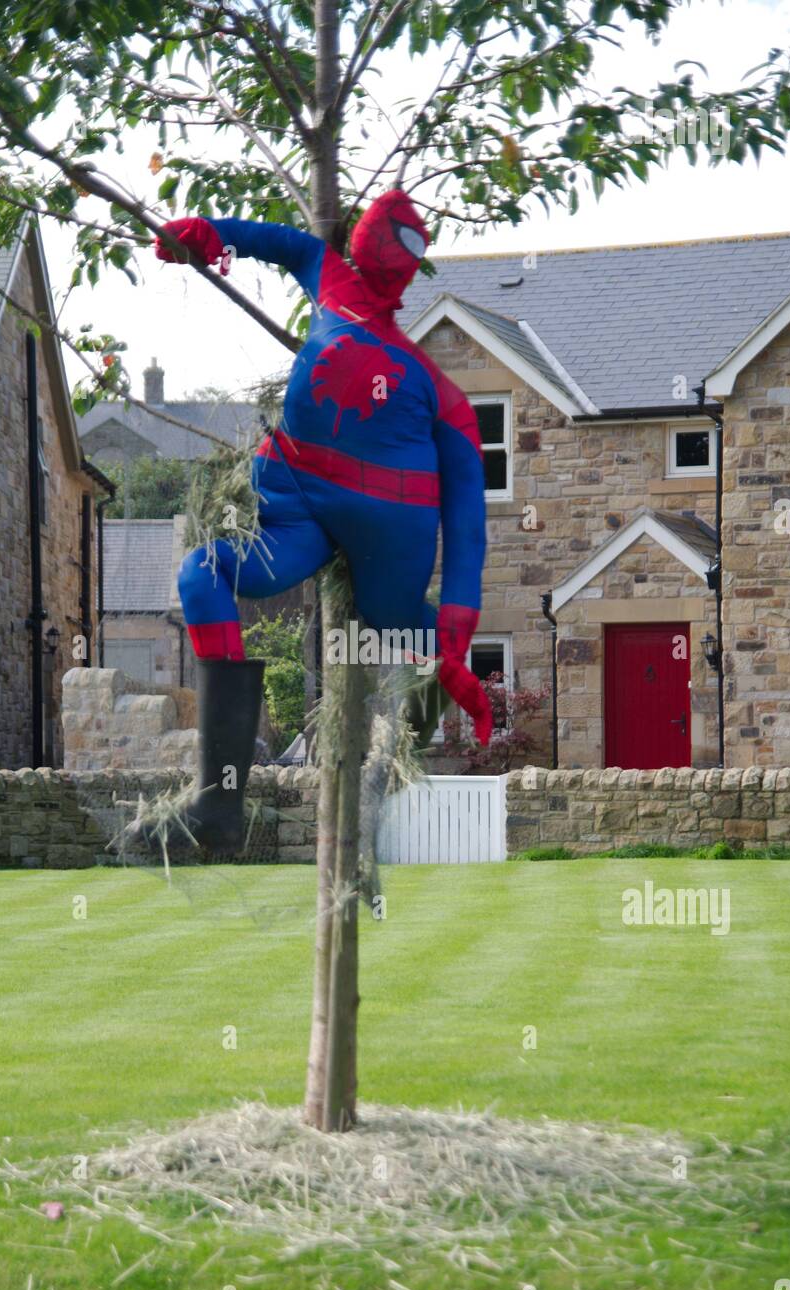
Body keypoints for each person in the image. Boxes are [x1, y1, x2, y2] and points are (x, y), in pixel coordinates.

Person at [153, 189, 490, 851]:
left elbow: (469, 512)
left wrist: (455, 628)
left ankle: (414, 737)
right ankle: (219, 800)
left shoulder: (439, 392)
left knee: (397, 622)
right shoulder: (332, 286)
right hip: (298, 509)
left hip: (391, 525)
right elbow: (280, 242)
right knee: (203, 573)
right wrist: (206, 236)